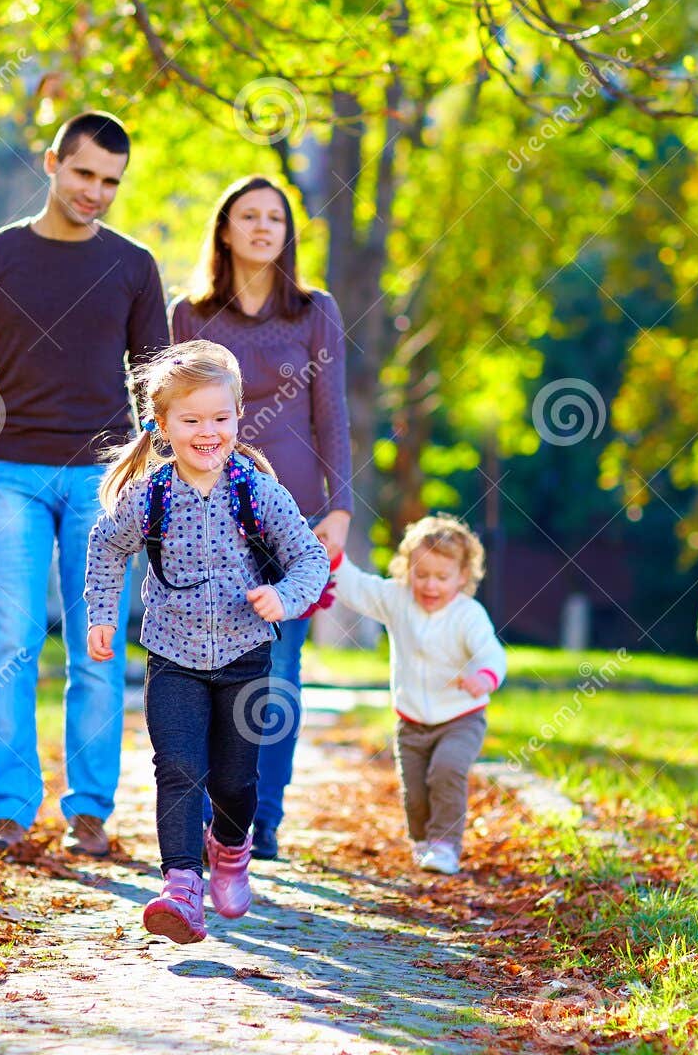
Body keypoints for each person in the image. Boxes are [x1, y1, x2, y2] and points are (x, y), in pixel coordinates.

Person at [0, 112, 169, 859]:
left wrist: (149, 482)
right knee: (8, 644)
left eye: (110, 182)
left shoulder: (133, 266)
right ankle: (8, 811)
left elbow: (156, 385)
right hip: (11, 478)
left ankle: (90, 810)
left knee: (96, 649)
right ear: (52, 163)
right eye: (84, 174)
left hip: (103, 483)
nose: (96, 192)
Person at [83, 341, 329, 942]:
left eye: (220, 418)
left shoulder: (257, 491)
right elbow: (105, 548)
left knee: (235, 779)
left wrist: (285, 598)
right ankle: (181, 887)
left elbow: (310, 559)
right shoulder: (149, 496)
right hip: (172, 657)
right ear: (162, 425)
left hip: (247, 655)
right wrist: (102, 613)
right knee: (179, 767)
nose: (207, 431)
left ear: (238, 416)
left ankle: (231, 847)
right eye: (190, 420)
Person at [168, 175, 352, 861]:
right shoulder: (189, 314)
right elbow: (170, 413)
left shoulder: (314, 310)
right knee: (208, 665)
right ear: (224, 229)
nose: (262, 227)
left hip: (296, 515)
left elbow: (333, 412)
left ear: (288, 231)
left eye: (275, 217)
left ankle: (262, 816)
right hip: (206, 512)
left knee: (280, 670)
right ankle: (222, 811)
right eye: (248, 215)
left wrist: (340, 508)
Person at [329, 515, 507, 875]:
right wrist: (334, 558)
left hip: (461, 717)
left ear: (462, 577)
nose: (430, 586)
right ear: (406, 568)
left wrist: (484, 676)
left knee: (447, 769)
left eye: (442, 578)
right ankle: (423, 841)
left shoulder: (468, 615)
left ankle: (445, 845)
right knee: (415, 790)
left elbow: (491, 652)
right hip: (410, 721)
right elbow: (358, 588)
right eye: (421, 574)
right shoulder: (397, 600)